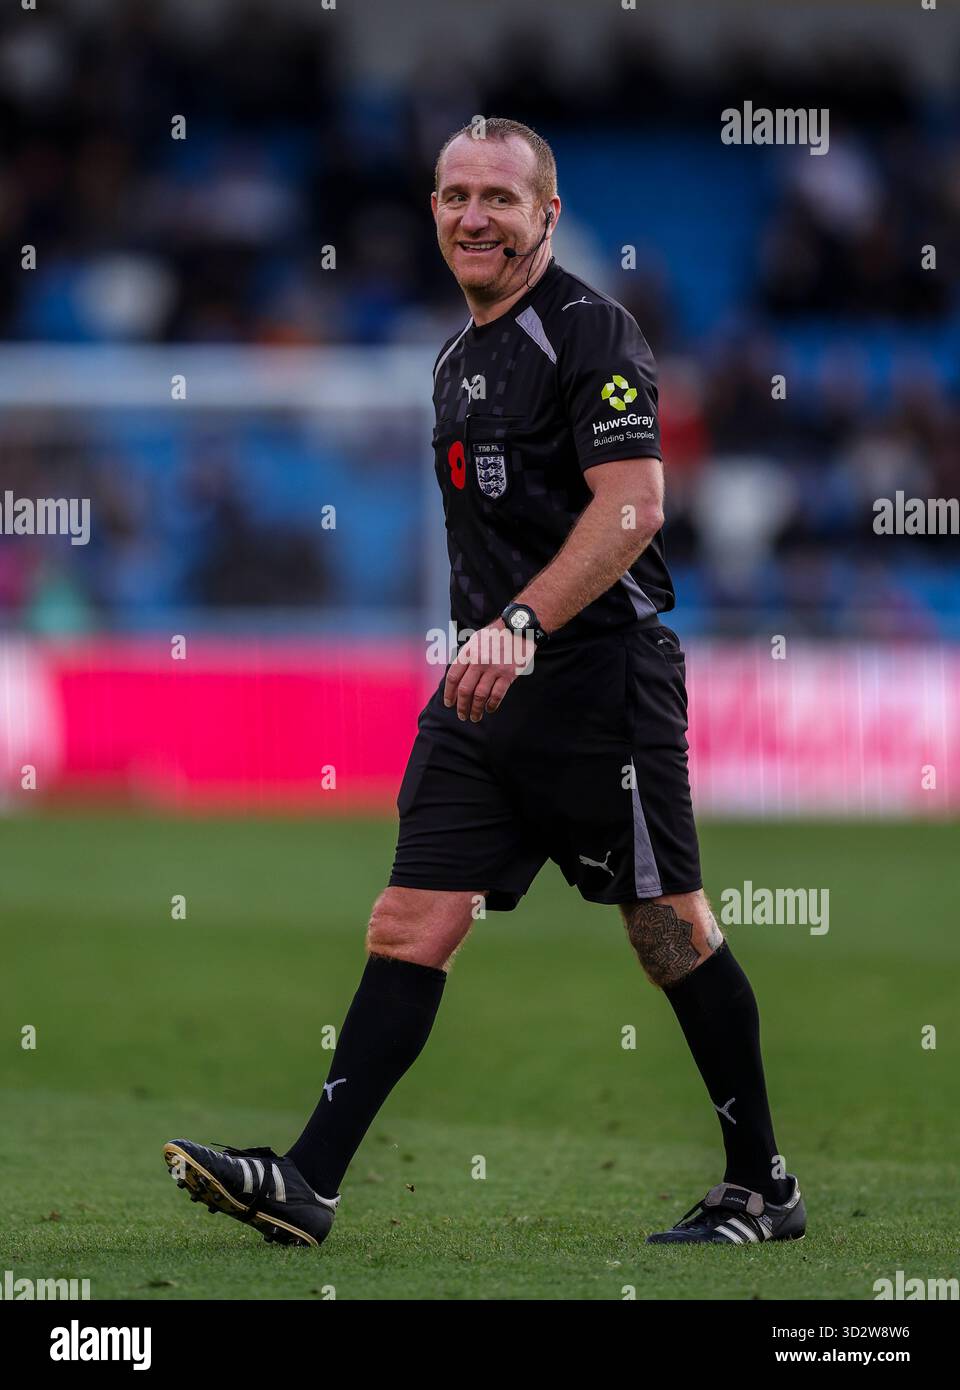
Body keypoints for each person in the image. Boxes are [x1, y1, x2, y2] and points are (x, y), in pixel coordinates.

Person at [164, 117, 804, 1250]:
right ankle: (307, 1180)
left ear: (546, 216)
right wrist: (489, 638)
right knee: (409, 921)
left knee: (669, 931)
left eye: (499, 199)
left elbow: (634, 508)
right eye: (455, 195)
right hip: (482, 689)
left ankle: (762, 1183)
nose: (473, 215)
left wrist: (519, 620)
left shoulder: (592, 333)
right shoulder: (456, 359)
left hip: (603, 678)